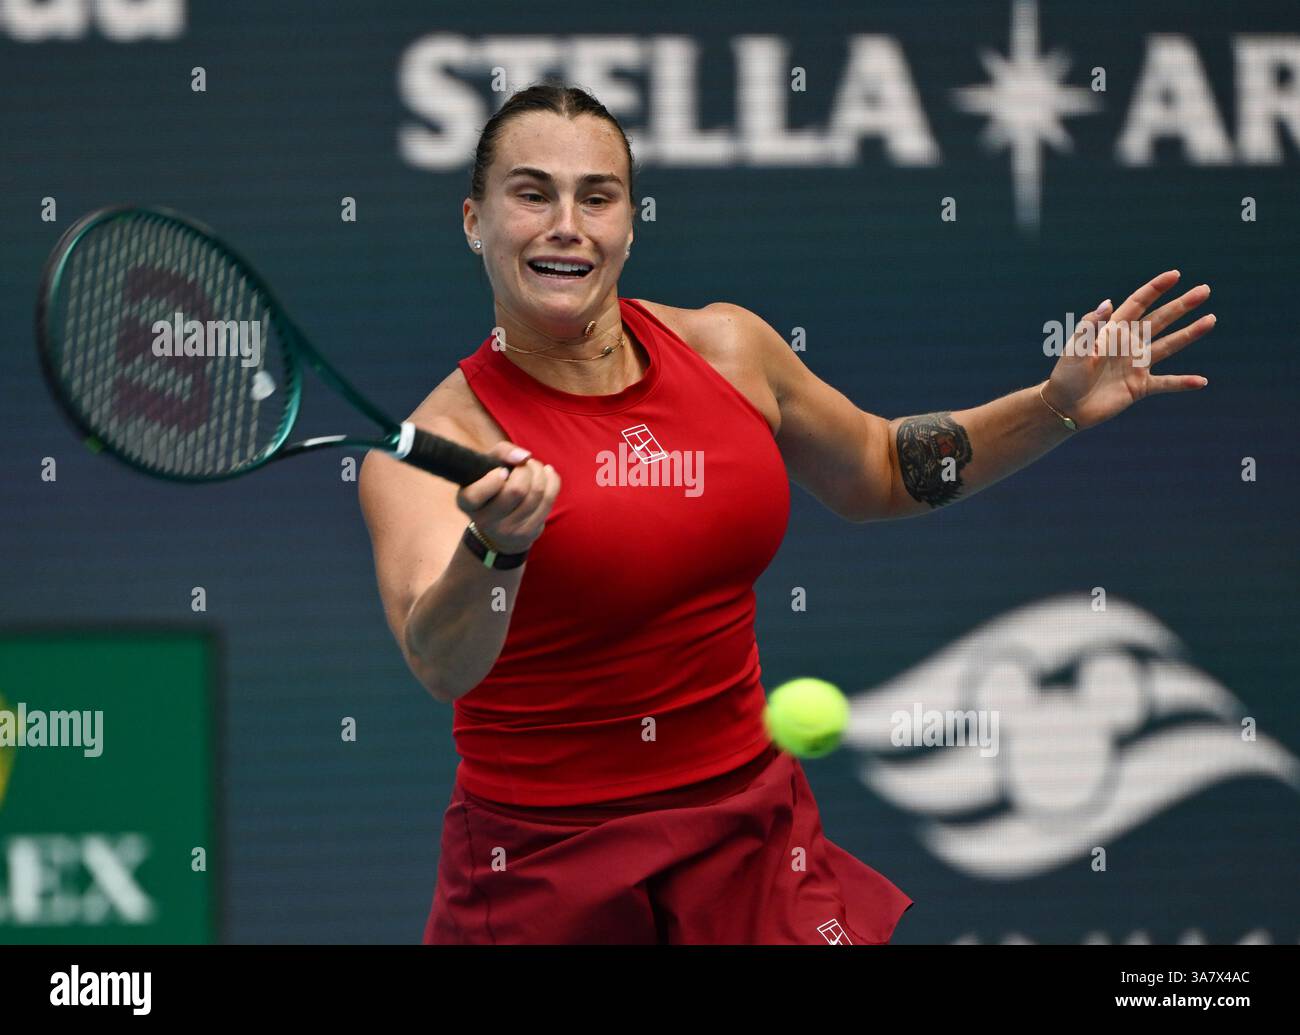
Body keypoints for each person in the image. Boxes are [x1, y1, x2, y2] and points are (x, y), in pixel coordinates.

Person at [358, 83, 1214, 945]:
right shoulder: (434, 449)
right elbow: (443, 664)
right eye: (532, 193)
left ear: (629, 220)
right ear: (475, 219)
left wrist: (1053, 405)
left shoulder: (730, 349)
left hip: (750, 838)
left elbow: (880, 469)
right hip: (542, 864)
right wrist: (494, 548)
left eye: (597, 196)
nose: (566, 225)